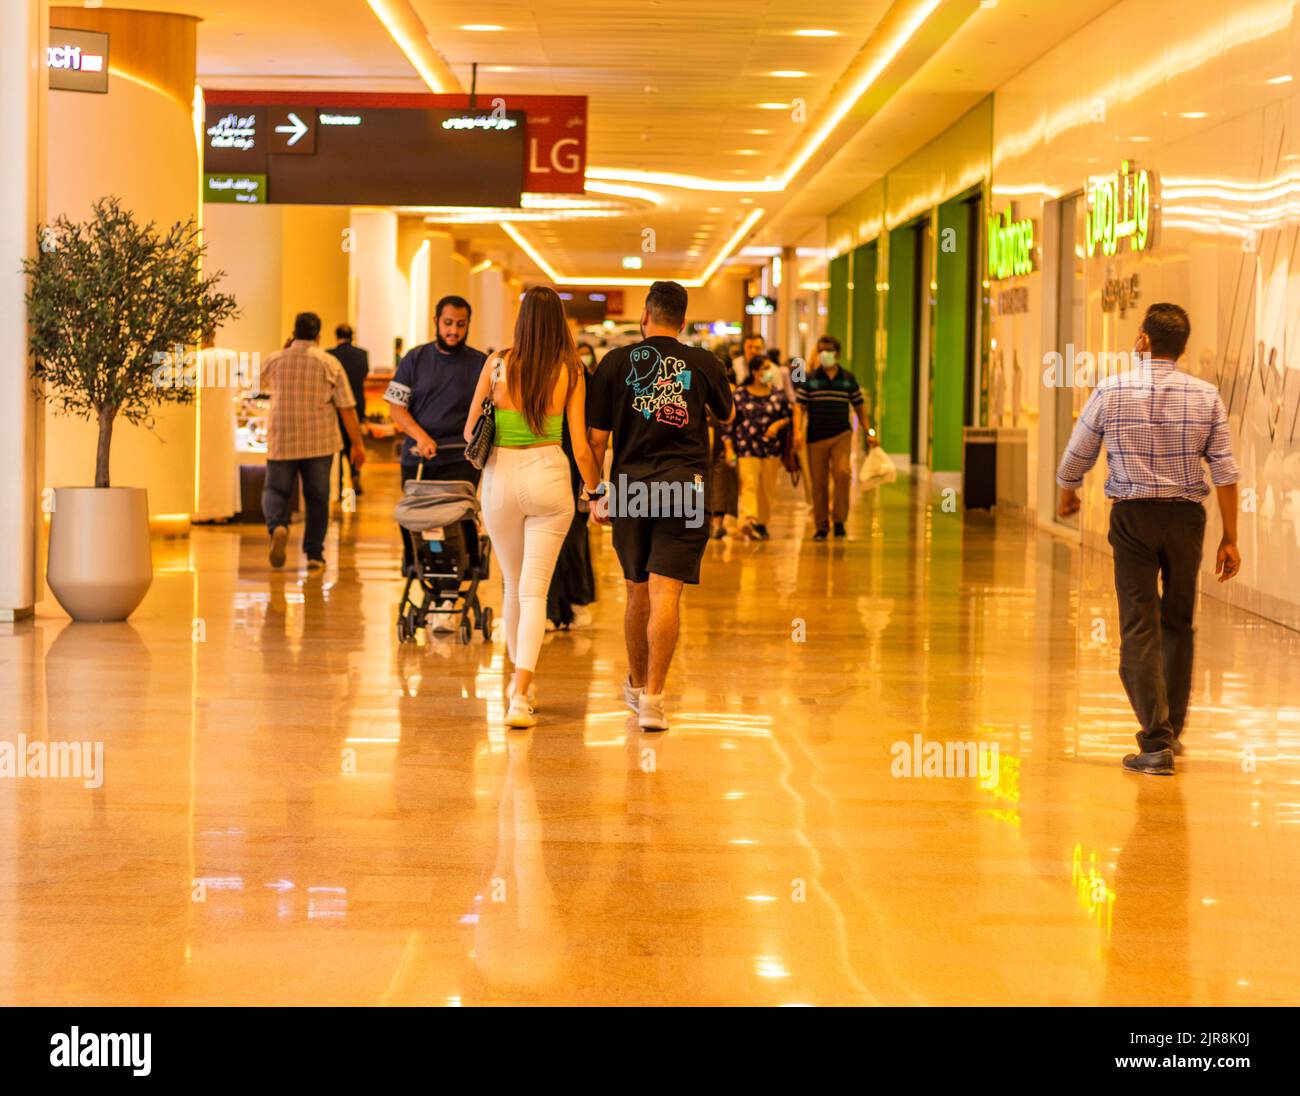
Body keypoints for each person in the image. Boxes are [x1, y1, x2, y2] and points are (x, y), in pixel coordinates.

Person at [1057, 302, 1241, 776]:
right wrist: (1230, 538)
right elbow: (1224, 470)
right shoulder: (1206, 396)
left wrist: (1068, 495)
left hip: (1134, 519)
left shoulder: (1112, 389)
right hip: (1187, 520)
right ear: (1181, 348)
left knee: (1139, 624)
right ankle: (1170, 731)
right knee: (1177, 622)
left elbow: (1075, 457)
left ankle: (1155, 741)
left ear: (1143, 340)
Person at [587, 280, 735, 731]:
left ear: (644, 319)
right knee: (665, 593)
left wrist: (595, 492)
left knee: (636, 590)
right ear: (684, 321)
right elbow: (727, 416)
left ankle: (635, 685)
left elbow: (596, 439)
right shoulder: (704, 362)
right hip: (686, 487)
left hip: (631, 486)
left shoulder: (614, 363)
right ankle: (653, 699)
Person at [464, 286, 602, 730]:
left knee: (511, 586)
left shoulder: (497, 363)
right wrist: (597, 492)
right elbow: (580, 447)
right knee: (534, 590)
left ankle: (516, 686)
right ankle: (521, 693)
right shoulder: (571, 369)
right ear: (560, 322)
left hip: (500, 478)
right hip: (549, 475)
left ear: (522, 321)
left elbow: (469, 430)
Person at [385, 295, 486, 575]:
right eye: (448, 323)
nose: (453, 331)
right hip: (419, 459)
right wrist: (421, 436)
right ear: (436, 322)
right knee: (418, 523)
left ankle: (462, 572)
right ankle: (419, 568)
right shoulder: (414, 359)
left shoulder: (480, 363)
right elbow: (396, 408)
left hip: (461, 459)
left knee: (460, 522)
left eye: (461, 324)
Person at [261, 311, 366, 572]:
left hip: (282, 438)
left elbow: (260, 389)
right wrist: (357, 444)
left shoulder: (274, 360)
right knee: (317, 497)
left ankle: (278, 527)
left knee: (276, 490)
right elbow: (346, 407)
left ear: (293, 332)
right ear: (319, 335)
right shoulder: (328, 363)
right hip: (319, 442)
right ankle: (314, 555)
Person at [795, 334, 871, 540]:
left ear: (837, 353)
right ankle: (821, 525)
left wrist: (869, 432)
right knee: (818, 483)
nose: (824, 354)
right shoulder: (809, 379)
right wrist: (797, 432)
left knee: (842, 474)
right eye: (820, 351)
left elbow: (859, 407)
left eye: (828, 351)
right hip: (816, 437)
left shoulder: (847, 379)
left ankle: (839, 521)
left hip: (841, 435)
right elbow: (799, 407)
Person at [727, 354, 792, 539]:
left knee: (767, 488)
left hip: (771, 448)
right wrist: (729, 447)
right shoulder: (740, 394)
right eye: (765, 368)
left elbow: (788, 416)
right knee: (749, 484)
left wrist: (777, 425)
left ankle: (762, 523)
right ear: (755, 372)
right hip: (746, 446)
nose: (769, 372)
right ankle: (749, 520)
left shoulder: (777, 394)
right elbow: (730, 423)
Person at [327, 323, 369, 498]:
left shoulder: (329, 355)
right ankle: (355, 476)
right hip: (356, 404)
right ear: (352, 336)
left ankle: (338, 482)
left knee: (337, 443)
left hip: (335, 406)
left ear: (336, 336)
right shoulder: (362, 354)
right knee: (354, 441)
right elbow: (364, 374)